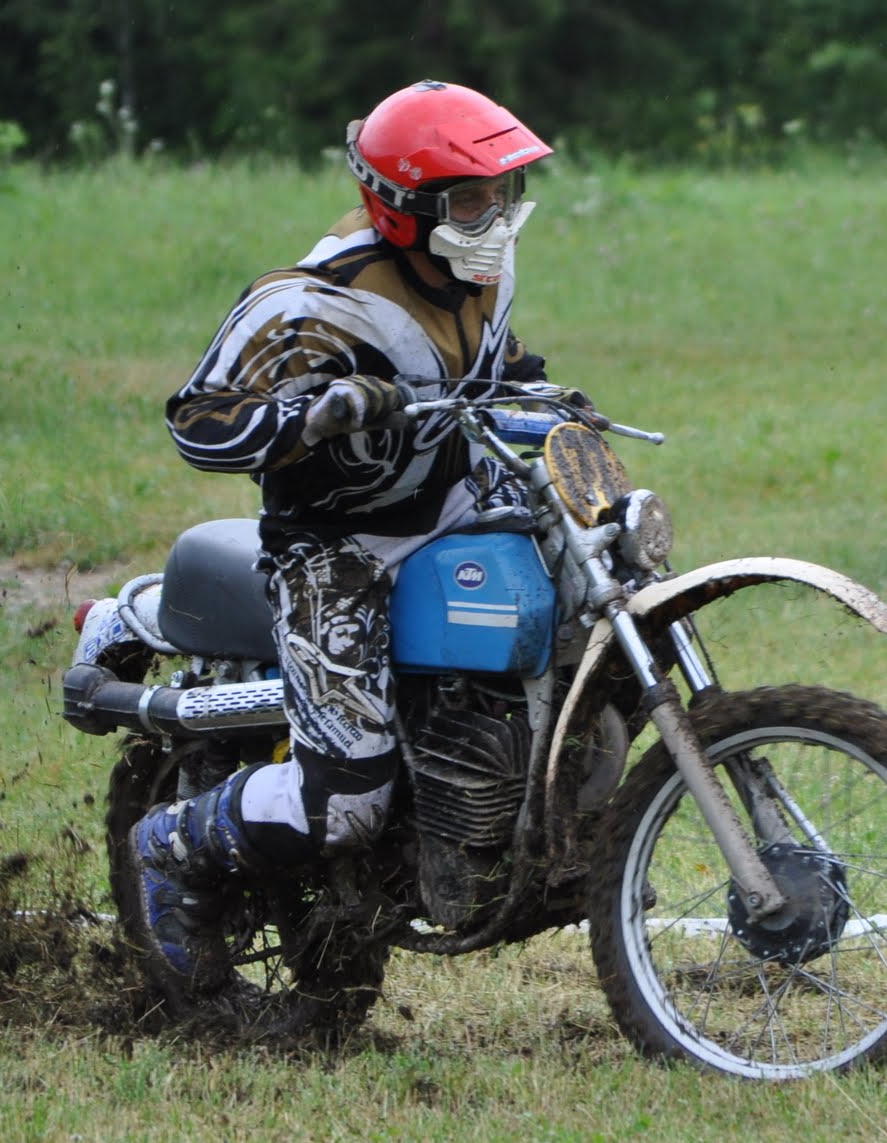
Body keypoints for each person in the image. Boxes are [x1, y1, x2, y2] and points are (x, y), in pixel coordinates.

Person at [131, 79, 555, 992]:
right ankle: (168, 847)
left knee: (576, 605)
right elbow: (196, 419)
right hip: (335, 551)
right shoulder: (309, 305)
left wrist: (554, 399)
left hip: (456, 510)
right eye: (474, 200)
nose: (498, 216)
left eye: (503, 194)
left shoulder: (478, 270)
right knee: (349, 802)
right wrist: (310, 416)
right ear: (405, 208)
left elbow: (496, 363)